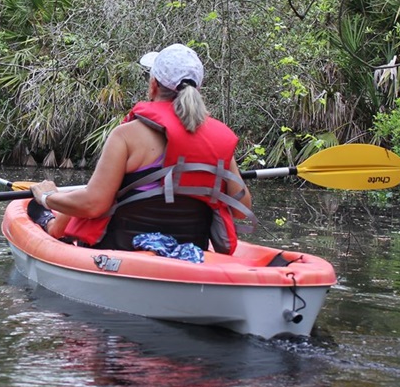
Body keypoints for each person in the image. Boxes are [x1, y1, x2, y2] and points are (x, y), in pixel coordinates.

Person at [29, 43, 253, 254]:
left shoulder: (126, 136)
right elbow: (241, 210)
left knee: (35, 209)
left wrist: (48, 197)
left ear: (153, 84)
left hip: (121, 252)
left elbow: (92, 205)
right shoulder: (218, 141)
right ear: (198, 88)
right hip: (190, 254)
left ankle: (48, 220)